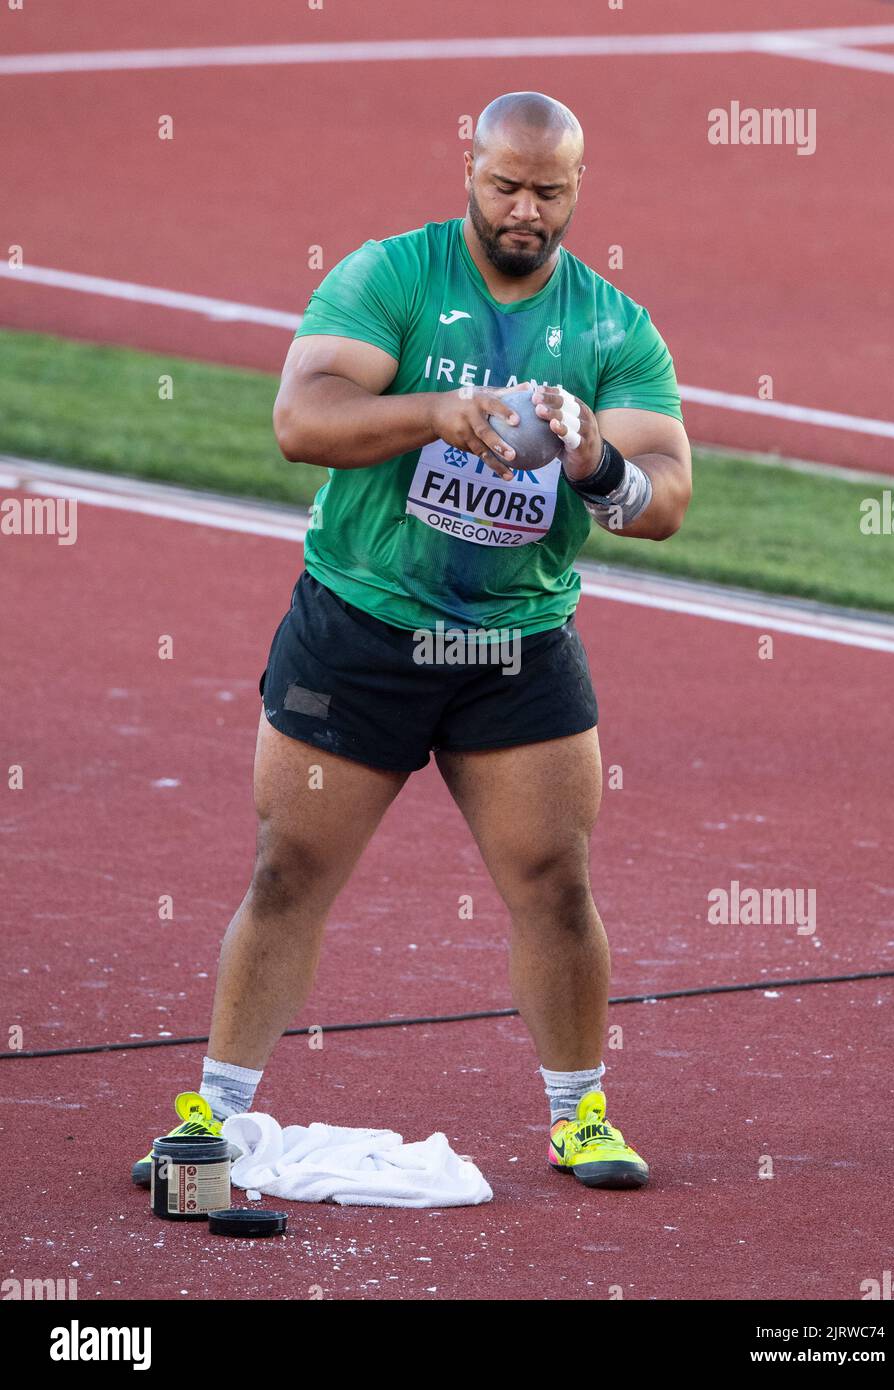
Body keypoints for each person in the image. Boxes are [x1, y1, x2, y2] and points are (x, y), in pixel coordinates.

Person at [133, 90, 691, 1192]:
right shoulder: (389, 276)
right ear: (468, 171)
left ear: (580, 188)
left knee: (554, 879)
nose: (522, 208)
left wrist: (592, 465)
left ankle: (579, 1114)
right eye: (503, 183)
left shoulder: (612, 328)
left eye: (547, 189)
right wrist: (436, 414)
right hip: (361, 626)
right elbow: (302, 423)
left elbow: (663, 497)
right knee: (289, 869)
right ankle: (220, 1110)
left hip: (515, 647)